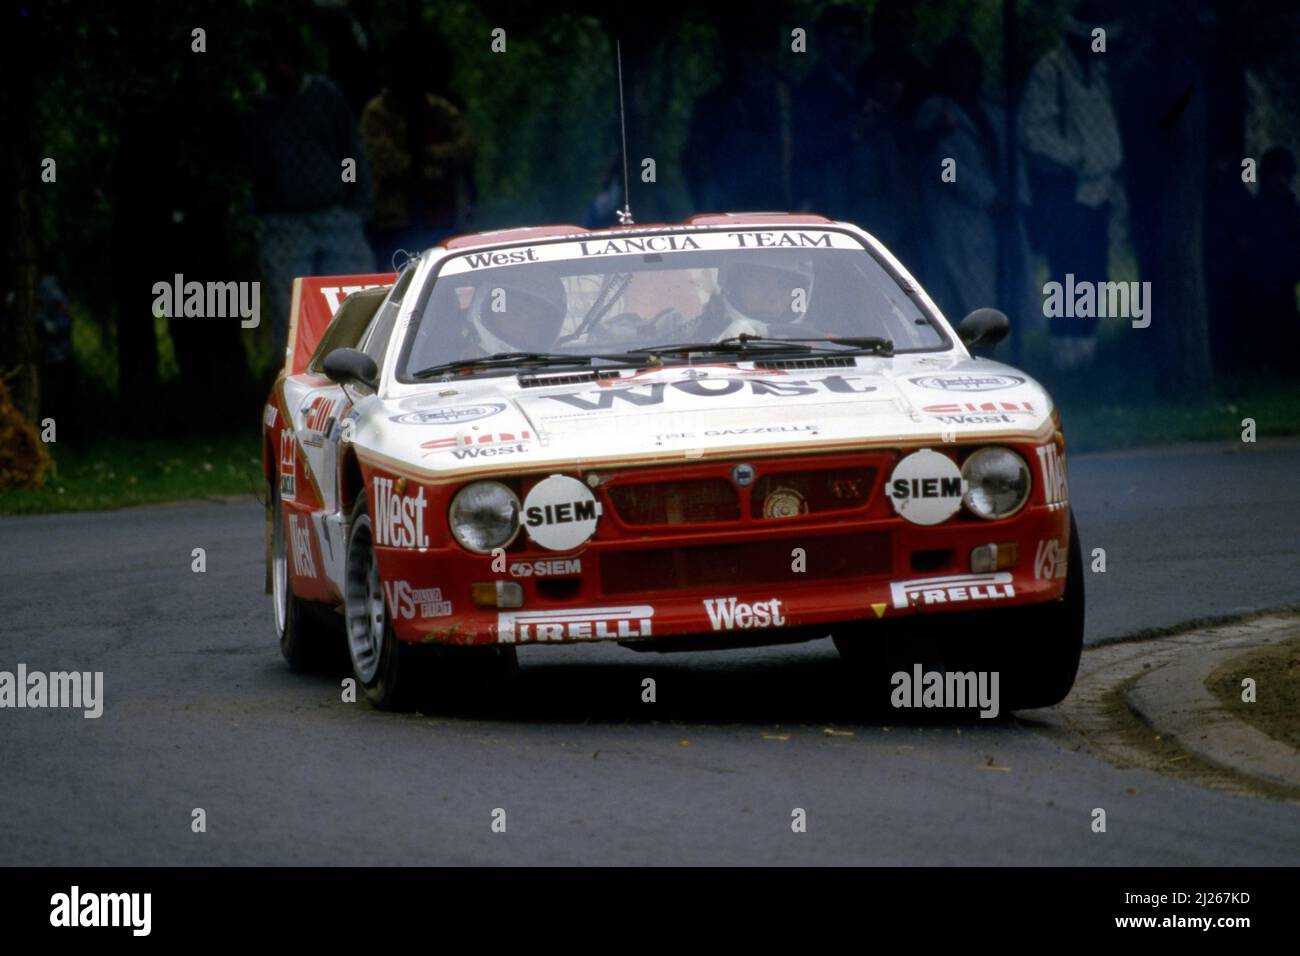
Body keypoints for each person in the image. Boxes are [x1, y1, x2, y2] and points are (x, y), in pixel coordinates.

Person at [247, 24, 375, 359]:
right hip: (284, 225)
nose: (279, 68)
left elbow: (353, 151)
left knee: (357, 300)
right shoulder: (258, 109)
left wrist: (357, 206)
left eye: (285, 59)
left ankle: (363, 368)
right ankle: (296, 381)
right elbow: (254, 173)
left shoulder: (325, 96)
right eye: (271, 61)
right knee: (290, 313)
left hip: (337, 216)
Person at [1019, 2, 1124, 370]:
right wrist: (1076, 156)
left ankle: (1087, 349)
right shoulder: (1050, 72)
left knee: (1095, 273)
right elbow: (1032, 132)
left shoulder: (1098, 74)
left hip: (1100, 191)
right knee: (1068, 273)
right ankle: (1065, 352)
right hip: (1066, 192)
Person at [914, 38, 1027, 327]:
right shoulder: (933, 111)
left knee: (1005, 281)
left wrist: (1016, 198)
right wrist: (989, 198)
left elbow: (1013, 155)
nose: (963, 75)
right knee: (968, 285)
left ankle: (1004, 341)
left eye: (968, 68)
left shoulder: (990, 109)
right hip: (959, 213)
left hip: (1001, 211)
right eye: (955, 69)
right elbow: (945, 167)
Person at [361, 33, 477, 269]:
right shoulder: (377, 113)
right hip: (396, 221)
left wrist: (432, 154)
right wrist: (426, 169)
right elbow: (388, 163)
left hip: (444, 215)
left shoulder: (437, 107)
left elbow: (468, 145)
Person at [1238, 147, 1300, 372]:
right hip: (1262, 277)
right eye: (1278, 175)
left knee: (1284, 320)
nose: (1282, 180)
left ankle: (1282, 361)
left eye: (1285, 175)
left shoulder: (1289, 207)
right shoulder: (1259, 208)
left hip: (1281, 276)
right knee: (1265, 322)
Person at [462, 273, 569, 356]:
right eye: (516, 314)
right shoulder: (459, 371)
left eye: (536, 321)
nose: (524, 327)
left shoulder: (556, 370)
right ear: (489, 314)